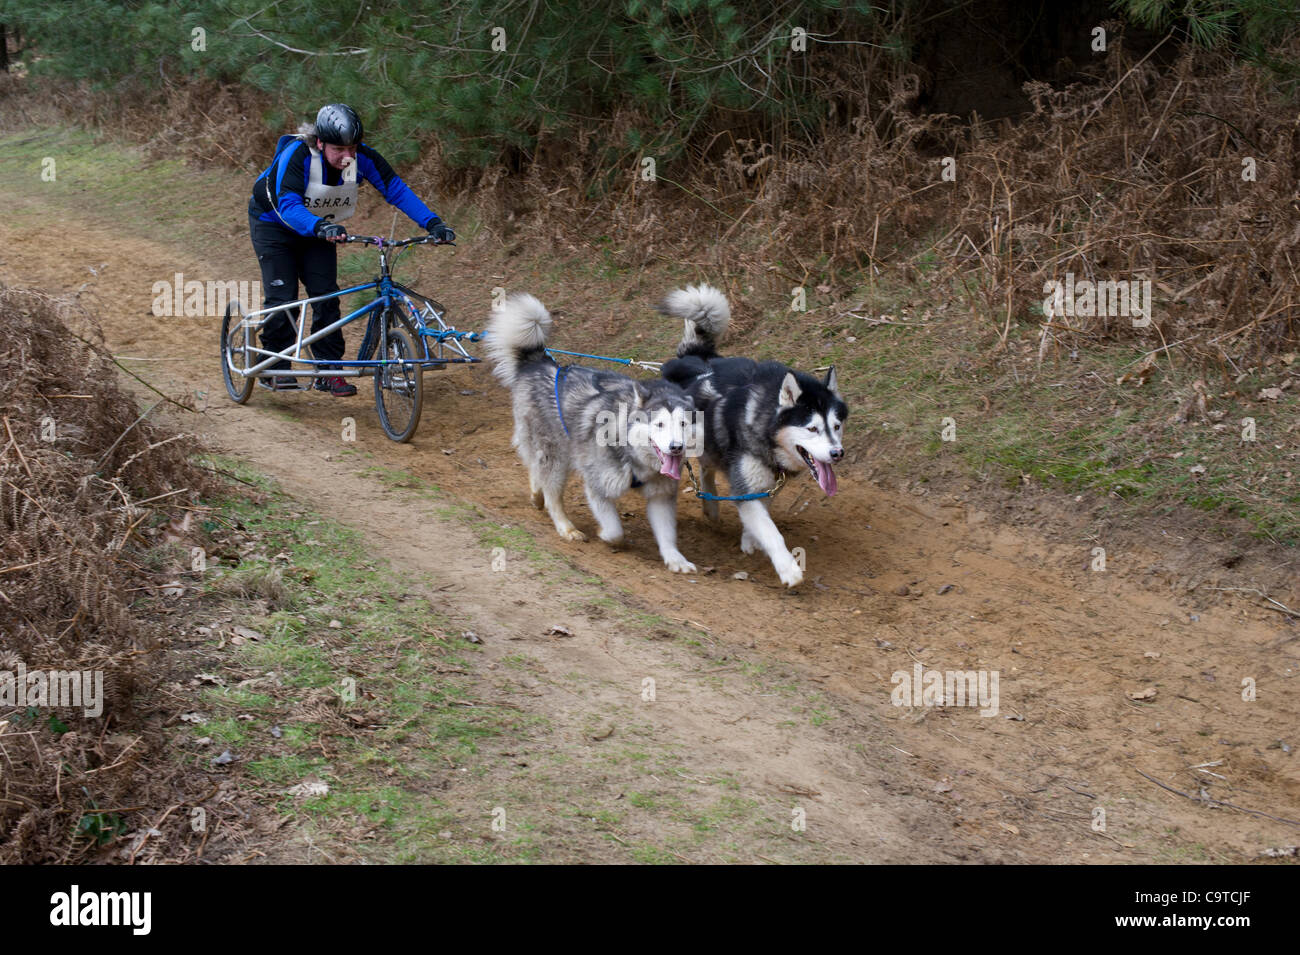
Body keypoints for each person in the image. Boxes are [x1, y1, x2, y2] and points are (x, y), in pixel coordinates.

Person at [247, 103, 455, 395]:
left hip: (318, 230)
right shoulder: (299, 156)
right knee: (284, 296)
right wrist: (320, 227)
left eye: (353, 148)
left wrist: (433, 223)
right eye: (339, 150)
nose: (348, 157)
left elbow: (395, 189)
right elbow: (289, 206)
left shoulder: (361, 157)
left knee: (327, 297)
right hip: (274, 226)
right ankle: (273, 363)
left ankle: (328, 369)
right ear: (320, 142)